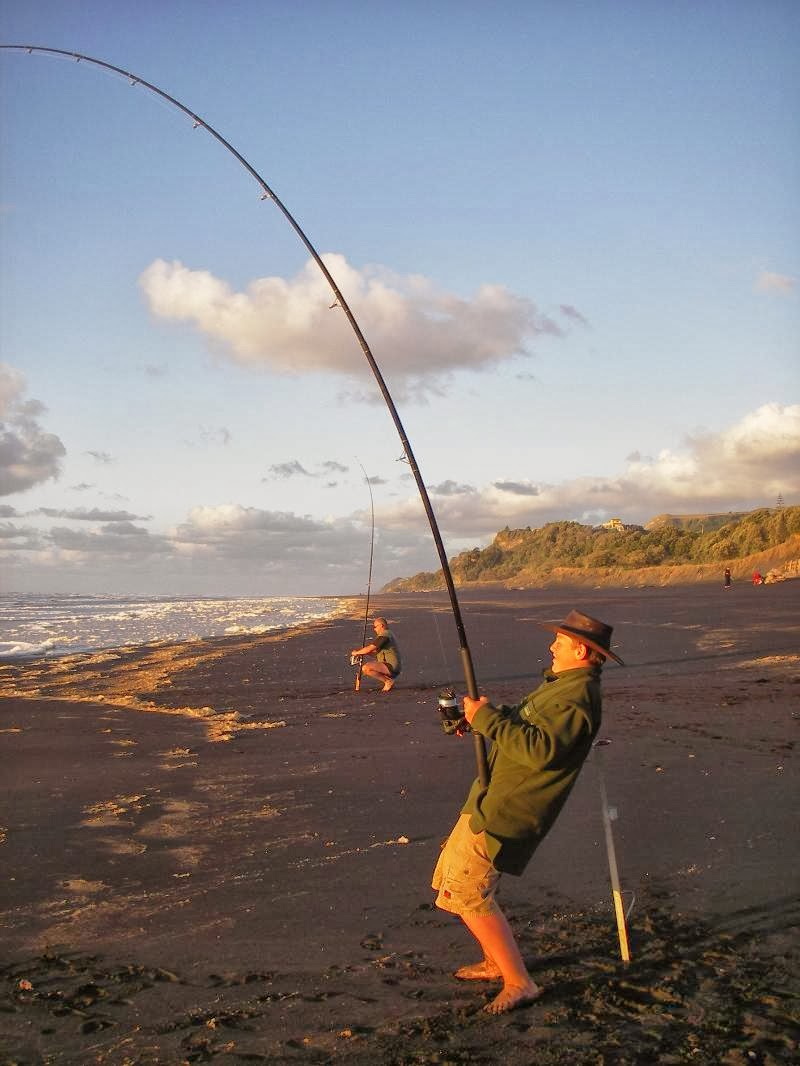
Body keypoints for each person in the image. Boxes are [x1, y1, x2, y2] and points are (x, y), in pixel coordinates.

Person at [432, 609, 624, 1015]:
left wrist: (487, 719)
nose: (552, 645)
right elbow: (525, 727)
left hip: (507, 811)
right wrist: (485, 717)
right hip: (488, 798)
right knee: (455, 878)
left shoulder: (578, 699)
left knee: (469, 893)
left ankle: (519, 981)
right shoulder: (562, 686)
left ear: (581, 650)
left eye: (560, 640)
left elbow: (541, 751)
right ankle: (494, 962)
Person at [350, 616, 402, 693]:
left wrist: (356, 653)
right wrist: (363, 653)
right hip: (389, 666)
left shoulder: (385, 635)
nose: (374, 629)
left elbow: (372, 647)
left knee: (366, 668)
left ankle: (388, 681)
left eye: (375, 627)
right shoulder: (387, 635)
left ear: (381, 625)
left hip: (391, 666)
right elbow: (376, 653)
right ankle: (388, 681)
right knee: (366, 668)